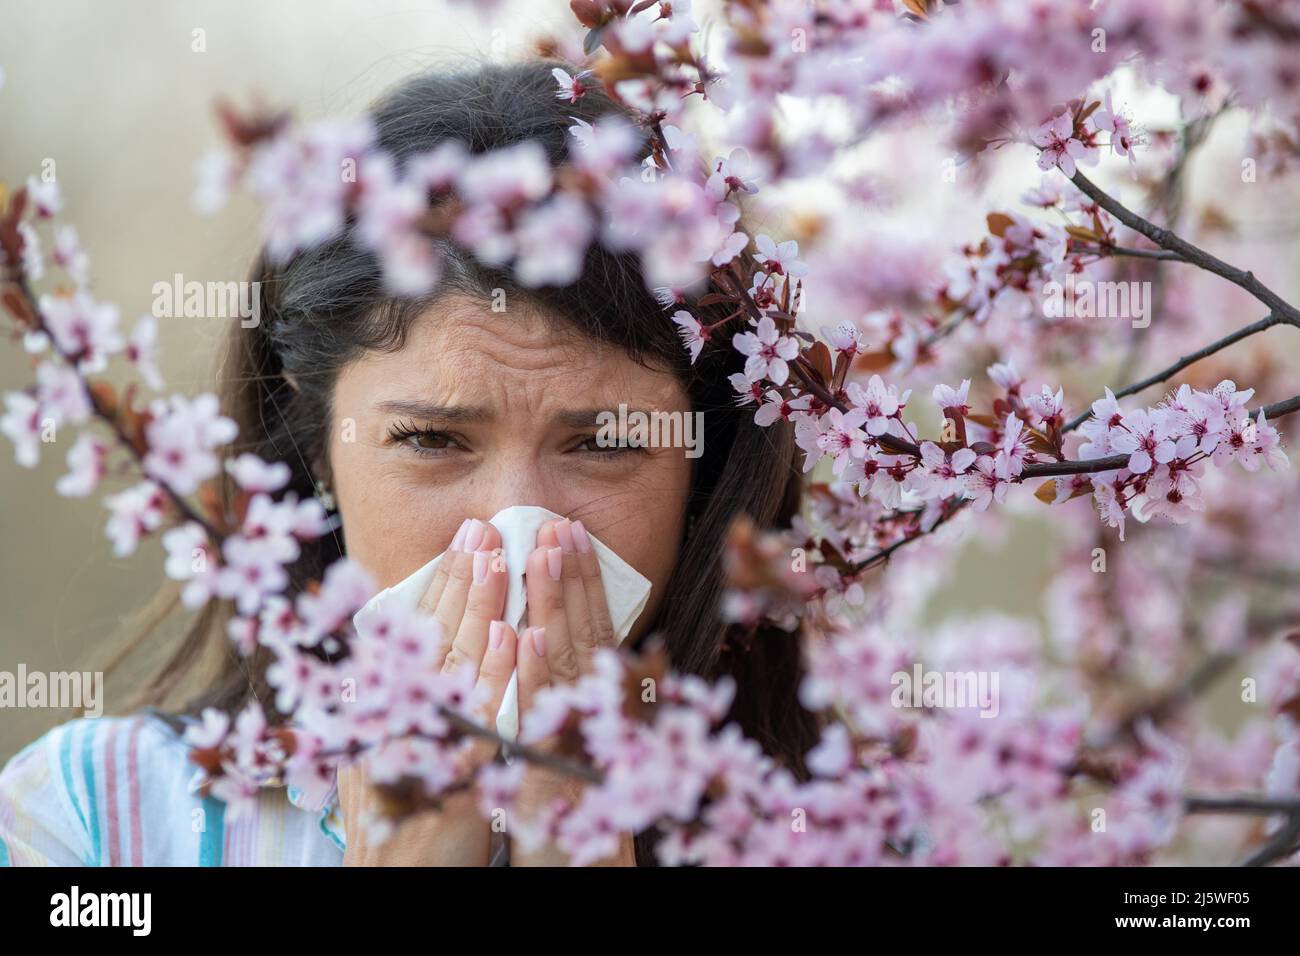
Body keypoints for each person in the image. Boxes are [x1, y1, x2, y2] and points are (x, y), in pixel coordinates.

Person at [0, 58, 819, 867]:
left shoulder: (863, 835)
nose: (513, 530)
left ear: (703, 474)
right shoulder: (90, 824)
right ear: (318, 446)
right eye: (432, 441)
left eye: (604, 444)